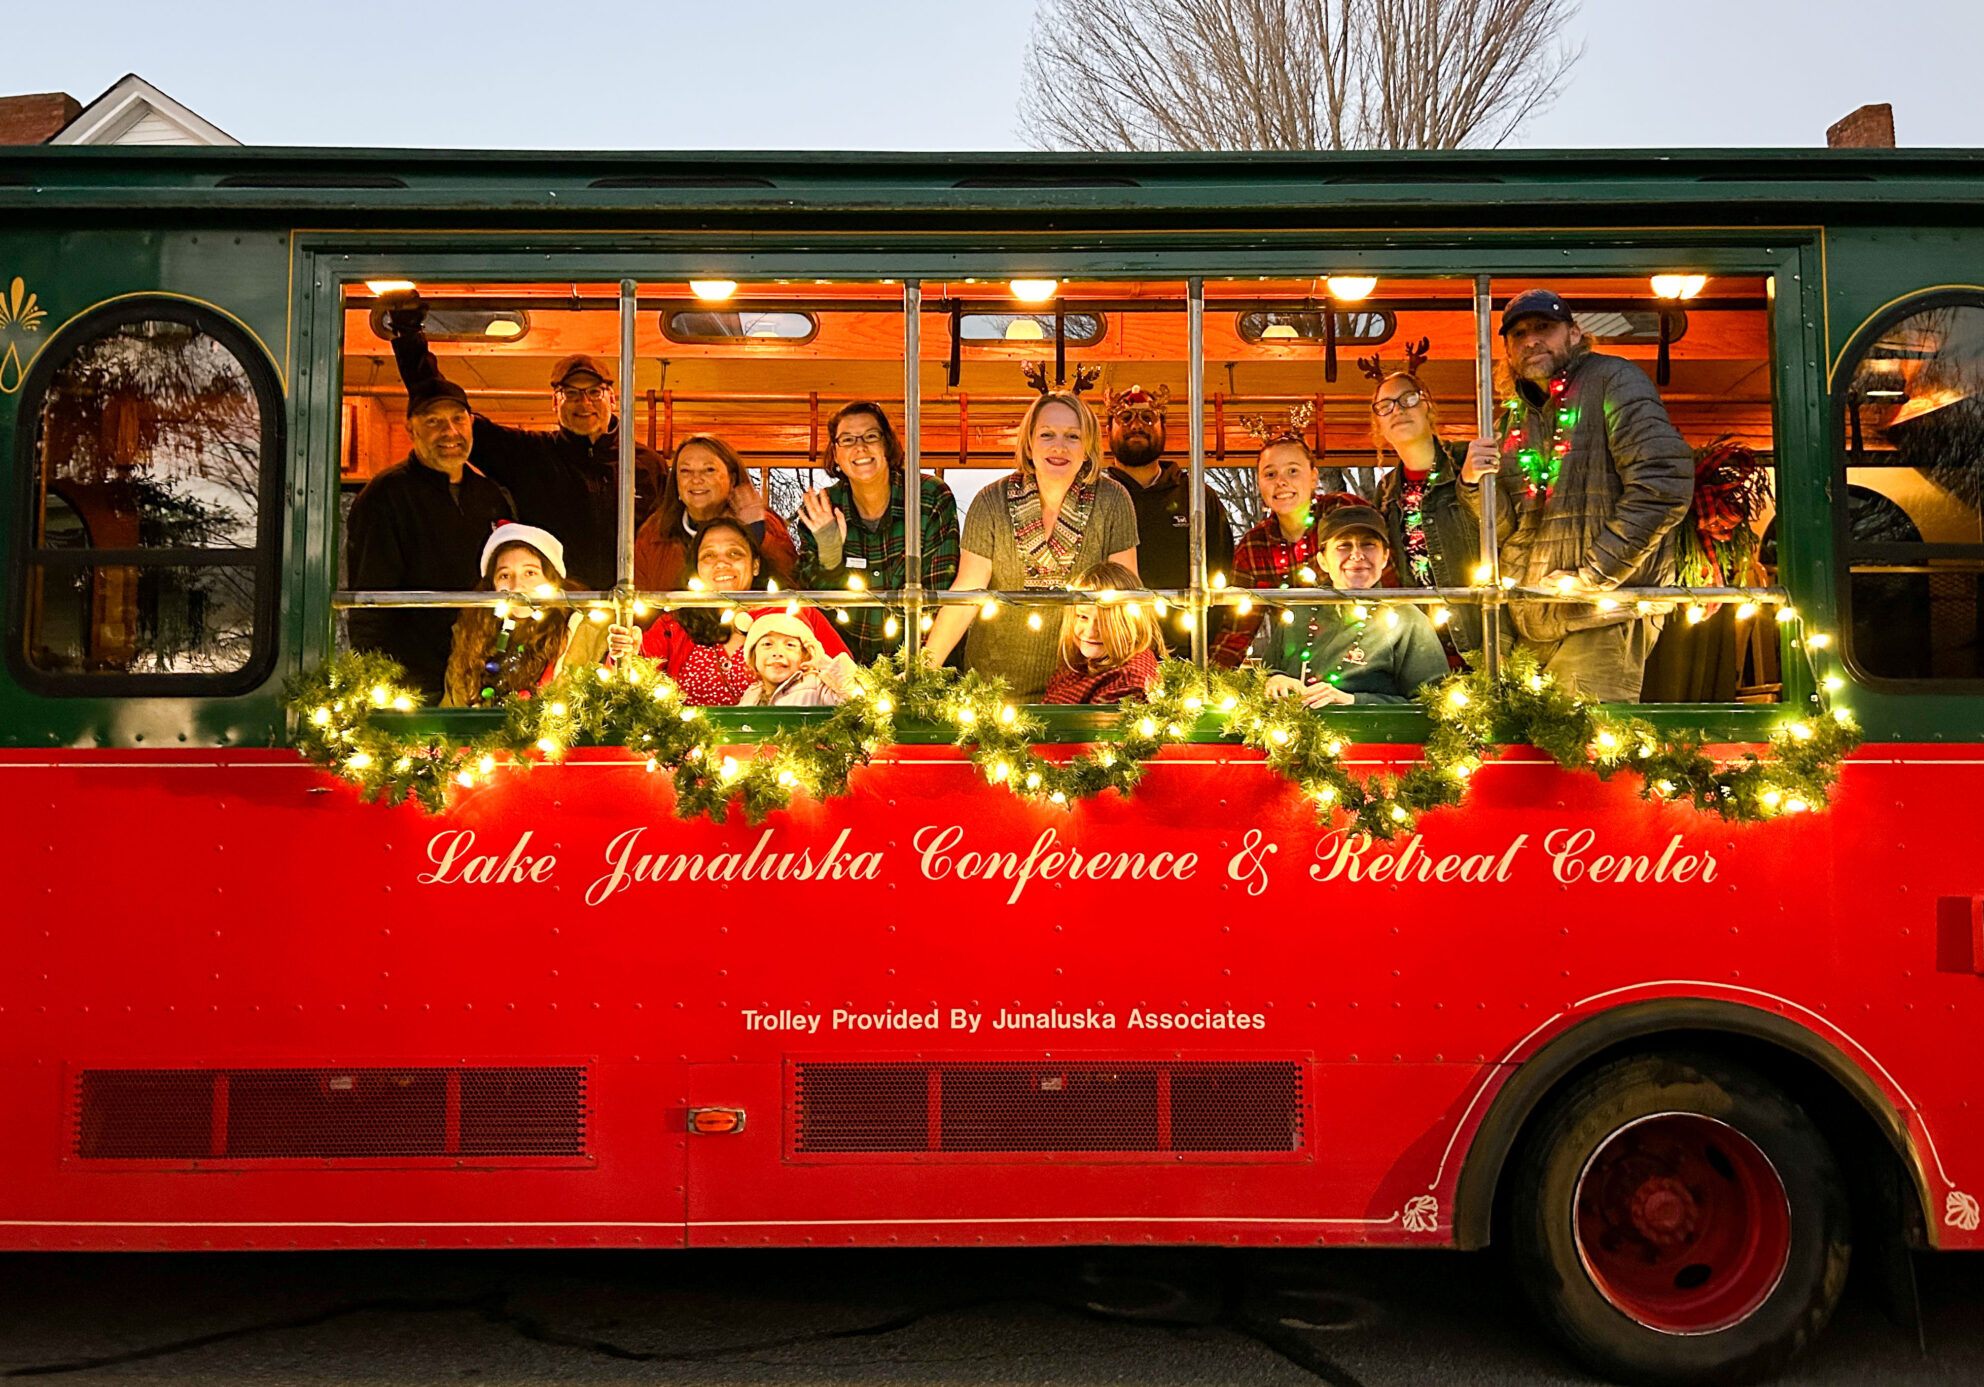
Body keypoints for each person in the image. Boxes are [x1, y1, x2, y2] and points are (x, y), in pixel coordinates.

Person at [1459, 288, 1695, 702]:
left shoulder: (1613, 379)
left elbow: (1663, 482)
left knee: (1578, 752)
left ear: (1574, 333)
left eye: (1544, 328)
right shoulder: (1512, 418)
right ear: (1508, 350)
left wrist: (1593, 576)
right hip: (1531, 621)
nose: (1531, 340)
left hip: (1599, 617)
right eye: (1519, 334)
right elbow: (1507, 528)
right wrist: (1472, 485)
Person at [381, 294, 663, 591]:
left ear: (612, 399)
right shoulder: (527, 454)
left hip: (627, 611)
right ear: (556, 402)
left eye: (594, 392)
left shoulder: (646, 464)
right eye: (571, 393)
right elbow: (445, 407)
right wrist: (409, 335)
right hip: (549, 613)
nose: (584, 403)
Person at [921, 392, 1140, 701]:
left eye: (1072, 436)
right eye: (1047, 434)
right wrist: (923, 670)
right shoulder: (990, 502)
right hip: (992, 689)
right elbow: (967, 590)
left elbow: (1128, 598)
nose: (1059, 446)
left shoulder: (1113, 500)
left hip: (1083, 688)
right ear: (1028, 443)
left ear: (1089, 446)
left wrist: (1138, 675)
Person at [345, 379, 512, 700]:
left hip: (482, 673)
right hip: (412, 681)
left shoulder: (490, 495)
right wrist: (373, 680)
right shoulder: (384, 496)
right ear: (411, 429)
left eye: (458, 419)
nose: (450, 431)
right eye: (434, 421)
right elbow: (369, 601)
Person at [794, 401, 960, 665]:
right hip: (844, 667)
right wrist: (830, 553)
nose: (860, 447)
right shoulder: (822, 508)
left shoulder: (928, 497)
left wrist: (919, 670)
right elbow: (817, 606)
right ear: (835, 454)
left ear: (887, 445)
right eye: (847, 439)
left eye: (871, 436)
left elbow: (939, 593)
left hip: (923, 662)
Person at [615, 518, 846, 706]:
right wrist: (628, 655)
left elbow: (845, 680)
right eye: (709, 555)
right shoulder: (673, 623)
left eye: (734, 553)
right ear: (696, 569)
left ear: (755, 565)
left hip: (782, 750)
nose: (722, 563)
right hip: (692, 752)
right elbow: (629, 690)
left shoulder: (793, 614)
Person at [1209, 428, 1370, 669]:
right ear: (1259, 483)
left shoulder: (1343, 513)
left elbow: (1386, 587)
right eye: (1270, 474)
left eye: (1292, 471)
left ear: (1314, 477)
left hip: (1363, 654)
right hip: (1296, 666)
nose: (1281, 482)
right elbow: (1236, 631)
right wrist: (1206, 682)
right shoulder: (1253, 548)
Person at [1365, 355, 1487, 664]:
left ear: (1427, 406)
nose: (1398, 410)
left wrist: (1470, 484)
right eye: (1386, 405)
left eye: (1408, 398)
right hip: (1425, 648)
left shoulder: (1467, 460)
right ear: (1379, 422)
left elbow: (1503, 529)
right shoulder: (1387, 492)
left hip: (1481, 638)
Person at [1266, 506, 1449, 706]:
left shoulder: (1408, 621)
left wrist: (1354, 701)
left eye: (1368, 544)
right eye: (1344, 545)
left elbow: (1435, 705)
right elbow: (1263, 675)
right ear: (1323, 560)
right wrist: (1274, 678)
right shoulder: (1298, 613)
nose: (1357, 555)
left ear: (1385, 557)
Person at [1101, 384, 1235, 651]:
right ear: (1108, 430)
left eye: (1148, 418)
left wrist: (1211, 651)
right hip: (1110, 653)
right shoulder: (1095, 498)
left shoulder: (1197, 496)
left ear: (1164, 428)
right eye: (1125, 418)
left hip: (1189, 654)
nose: (1137, 425)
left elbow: (1224, 573)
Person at [442, 524, 612, 706]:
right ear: (492, 585)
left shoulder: (585, 631)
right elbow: (450, 711)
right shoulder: (472, 636)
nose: (516, 586)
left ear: (551, 579)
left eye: (530, 573)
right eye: (505, 575)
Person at [636, 434, 798, 592]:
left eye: (709, 470)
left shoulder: (764, 524)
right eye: (685, 471)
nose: (696, 479)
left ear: (732, 479)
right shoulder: (655, 532)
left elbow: (789, 584)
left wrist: (757, 537)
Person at [1043, 562, 1165, 705]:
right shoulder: (1077, 666)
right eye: (1083, 617)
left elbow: (1093, 726)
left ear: (1131, 622)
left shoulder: (1127, 681)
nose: (1090, 632)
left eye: (1104, 622)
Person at [736, 611, 862, 708]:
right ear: (753, 656)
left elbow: (857, 699)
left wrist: (821, 660)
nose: (778, 653)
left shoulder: (816, 687)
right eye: (767, 644)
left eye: (790, 645)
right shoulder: (752, 694)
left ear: (805, 656)